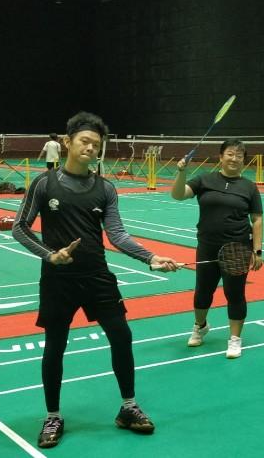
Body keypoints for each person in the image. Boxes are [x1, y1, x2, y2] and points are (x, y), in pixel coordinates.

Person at [12, 112, 179, 449]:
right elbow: (20, 227)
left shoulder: (105, 188)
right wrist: (50, 254)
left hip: (98, 277)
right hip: (58, 279)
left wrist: (150, 257)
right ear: (67, 142)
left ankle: (128, 408)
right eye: (84, 141)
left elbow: (116, 234)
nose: (90, 148)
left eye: (96, 145)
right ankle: (53, 416)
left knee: (122, 335)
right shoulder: (44, 184)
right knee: (55, 347)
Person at [171, 139, 264, 358]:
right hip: (207, 246)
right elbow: (178, 194)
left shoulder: (249, 187)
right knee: (203, 292)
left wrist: (257, 251)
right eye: (230, 154)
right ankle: (200, 326)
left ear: (244, 160)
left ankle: (234, 339)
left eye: (239, 155)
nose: (234, 159)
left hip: (237, 248)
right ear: (221, 157)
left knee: (235, 294)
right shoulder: (204, 179)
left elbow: (257, 219)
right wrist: (181, 172)